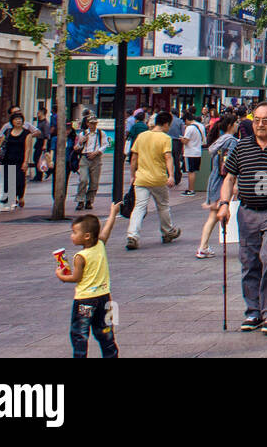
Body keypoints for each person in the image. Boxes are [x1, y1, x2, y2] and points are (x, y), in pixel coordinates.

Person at [218, 100, 267, 333]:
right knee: (249, 262)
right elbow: (229, 177)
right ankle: (253, 311)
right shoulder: (241, 147)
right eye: (257, 120)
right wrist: (223, 204)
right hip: (247, 210)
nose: (260, 125)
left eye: (265, 121)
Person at [55, 203, 123, 358]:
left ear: (86, 236)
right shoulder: (100, 244)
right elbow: (108, 229)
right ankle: (111, 355)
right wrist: (113, 213)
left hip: (85, 301)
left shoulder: (80, 257)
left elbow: (76, 278)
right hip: (105, 298)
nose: (71, 236)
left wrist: (61, 276)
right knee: (106, 331)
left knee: (80, 333)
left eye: (74, 232)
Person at [126, 112, 181, 250]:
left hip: (141, 178)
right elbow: (168, 157)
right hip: (158, 179)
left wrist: (132, 175)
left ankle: (132, 235)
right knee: (163, 206)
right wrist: (171, 175)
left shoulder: (142, 136)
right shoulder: (165, 138)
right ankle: (167, 231)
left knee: (139, 207)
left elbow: (134, 158)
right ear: (166, 124)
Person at [196, 115, 238, 259]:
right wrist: (235, 184)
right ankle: (203, 247)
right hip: (223, 181)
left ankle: (203, 246)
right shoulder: (231, 141)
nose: (238, 124)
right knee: (218, 214)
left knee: (213, 216)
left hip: (214, 180)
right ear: (231, 125)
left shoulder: (219, 141)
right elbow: (231, 165)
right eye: (236, 122)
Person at [0, 112, 33, 210]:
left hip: (19, 160)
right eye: (16, 119)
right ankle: (8, 198)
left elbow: (27, 149)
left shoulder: (27, 134)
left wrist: (25, 162)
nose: (18, 121)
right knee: (8, 180)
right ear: (12, 122)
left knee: (19, 180)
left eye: (20, 119)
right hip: (8, 159)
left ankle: (20, 196)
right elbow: (0, 146)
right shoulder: (8, 132)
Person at [74, 117, 108, 210]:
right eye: (91, 123)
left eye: (94, 123)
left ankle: (89, 200)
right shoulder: (82, 134)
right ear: (87, 123)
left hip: (96, 158)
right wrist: (80, 142)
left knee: (94, 182)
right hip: (84, 157)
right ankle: (80, 200)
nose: (93, 125)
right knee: (83, 179)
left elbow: (105, 144)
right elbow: (76, 147)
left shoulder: (101, 133)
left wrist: (96, 152)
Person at [181, 110, 204, 195]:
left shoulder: (189, 128)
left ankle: (191, 190)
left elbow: (185, 141)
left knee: (190, 172)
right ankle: (192, 189)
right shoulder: (201, 126)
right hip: (198, 151)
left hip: (190, 152)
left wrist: (181, 139)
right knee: (193, 171)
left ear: (187, 120)